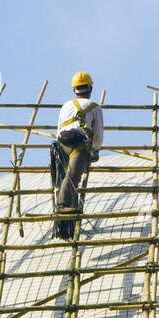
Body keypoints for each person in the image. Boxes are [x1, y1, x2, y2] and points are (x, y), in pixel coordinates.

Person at [52, 71, 103, 239]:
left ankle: (69, 212)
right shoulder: (94, 107)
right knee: (73, 178)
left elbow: (59, 128)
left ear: (75, 90)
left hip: (61, 143)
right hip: (78, 145)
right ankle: (63, 205)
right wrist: (94, 151)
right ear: (90, 88)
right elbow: (97, 135)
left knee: (64, 176)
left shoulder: (66, 105)